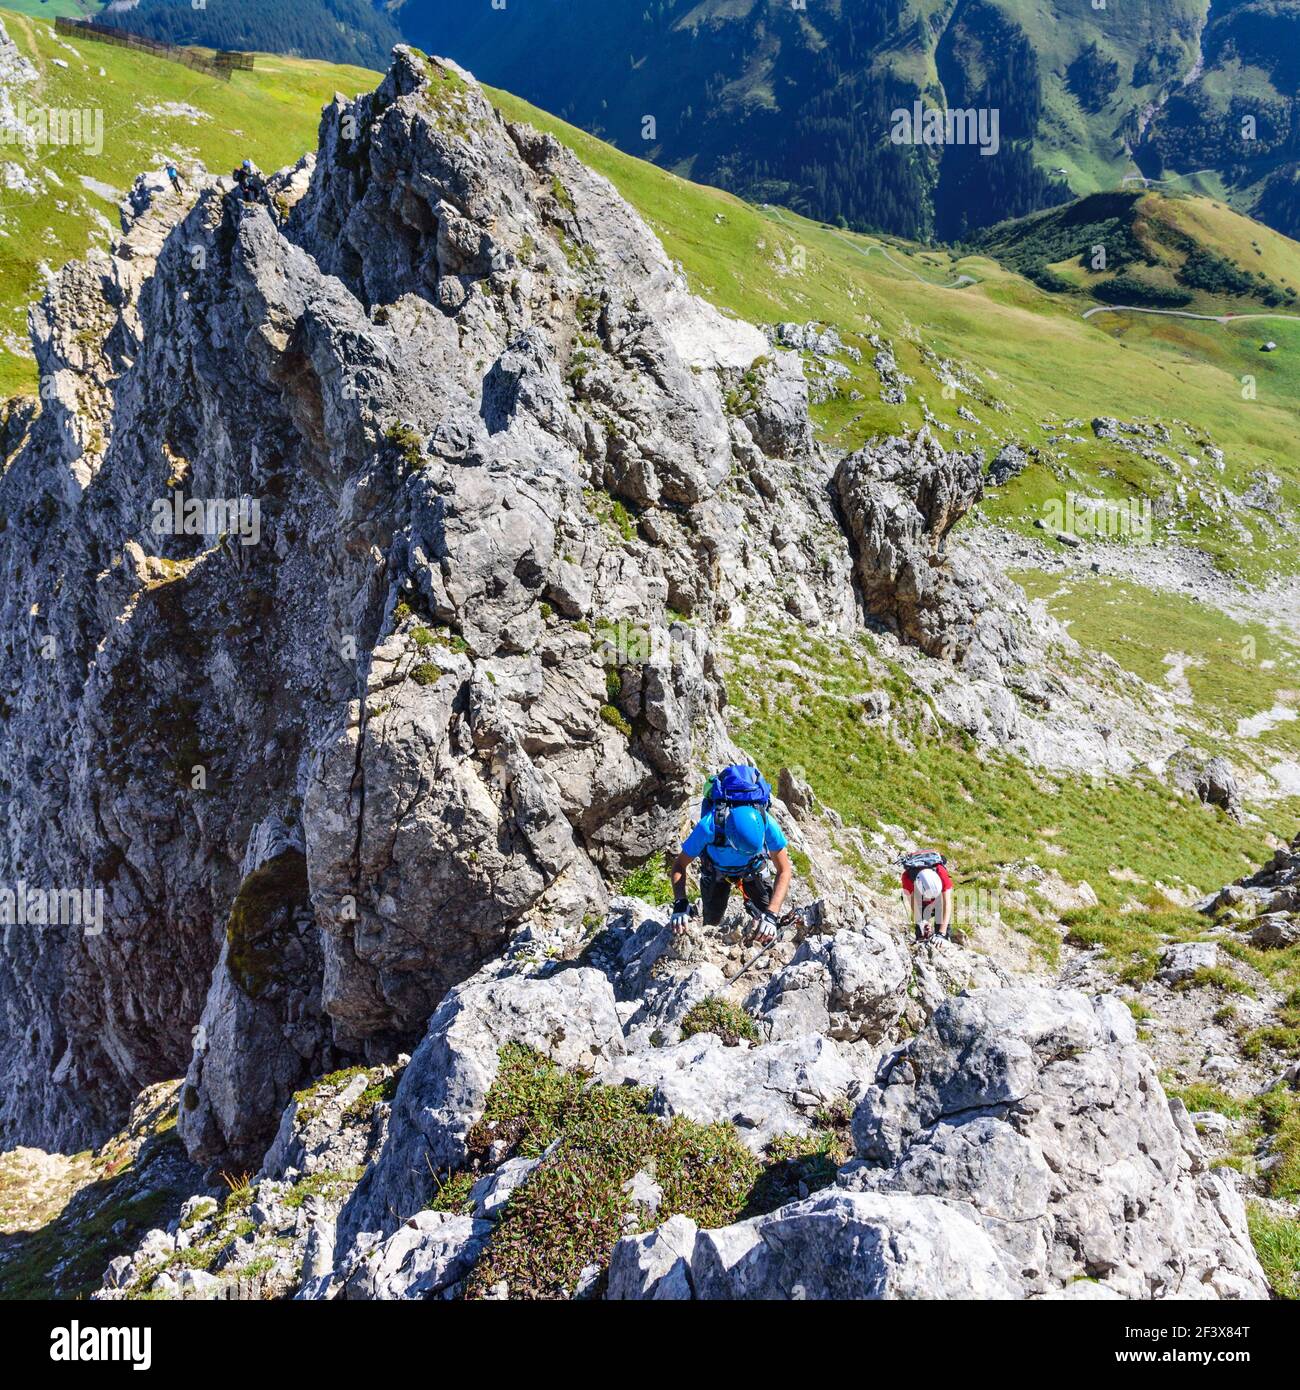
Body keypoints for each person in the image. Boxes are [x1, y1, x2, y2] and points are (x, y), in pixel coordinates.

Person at [668, 766, 792, 945]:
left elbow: (784, 870)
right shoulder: (709, 827)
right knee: (710, 924)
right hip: (716, 871)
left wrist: (772, 914)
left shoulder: (766, 823)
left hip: (753, 868)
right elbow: (679, 865)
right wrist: (680, 902)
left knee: (769, 926)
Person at [901, 854, 953, 940]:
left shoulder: (941, 872)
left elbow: (947, 904)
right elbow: (914, 905)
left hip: (940, 901)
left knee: (943, 932)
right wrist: (923, 922)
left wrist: (942, 934)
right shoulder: (907, 878)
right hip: (921, 901)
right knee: (921, 932)